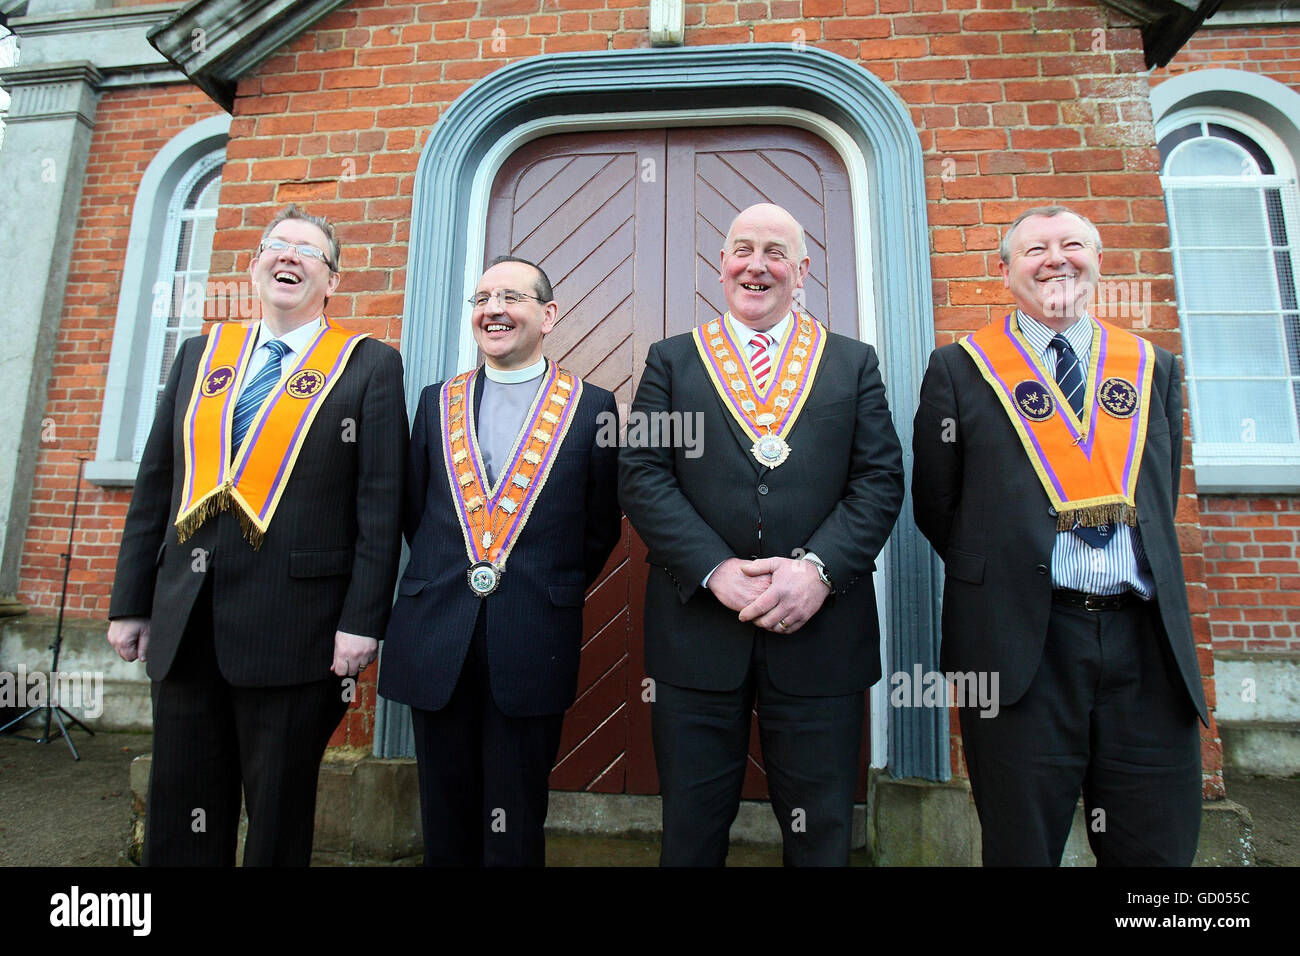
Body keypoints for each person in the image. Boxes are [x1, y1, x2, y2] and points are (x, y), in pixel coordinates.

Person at [107, 204, 408, 866]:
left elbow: (380, 507)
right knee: (180, 806)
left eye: (308, 252)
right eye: (277, 246)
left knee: (276, 813)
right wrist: (132, 602)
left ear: (332, 281)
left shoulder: (368, 366)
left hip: (296, 628)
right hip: (186, 623)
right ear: (255, 267)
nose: (288, 258)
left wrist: (362, 623)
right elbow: (156, 485)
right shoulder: (200, 356)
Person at [912, 204, 1208, 866]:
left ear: (1097, 260)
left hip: (1145, 648)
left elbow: (1160, 493)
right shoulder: (960, 370)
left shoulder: (1153, 368)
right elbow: (937, 503)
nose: (1057, 259)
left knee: (1156, 851)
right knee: (1022, 848)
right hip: (1023, 648)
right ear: (1005, 271)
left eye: (1073, 244)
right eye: (1035, 249)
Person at [619, 203, 904, 866]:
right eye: (742, 249)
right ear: (722, 267)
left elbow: (880, 480)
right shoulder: (673, 361)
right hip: (696, 634)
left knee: (820, 831)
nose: (757, 264)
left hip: (821, 632)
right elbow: (642, 477)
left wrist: (819, 570)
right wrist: (714, 569)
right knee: (690, 831)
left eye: (776, 252)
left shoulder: (852, 363)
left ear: (802, 270)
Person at [379, 256, 620, 867]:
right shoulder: (436, 401)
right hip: (437, 632)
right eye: (482, 298)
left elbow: (599, 527)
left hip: (533, 632)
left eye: (512, 297)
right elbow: (415, 512)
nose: (493, 309)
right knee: (445, 811)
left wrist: (538, 585)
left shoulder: (593, 408)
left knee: (514, 816)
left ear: (548, 314)